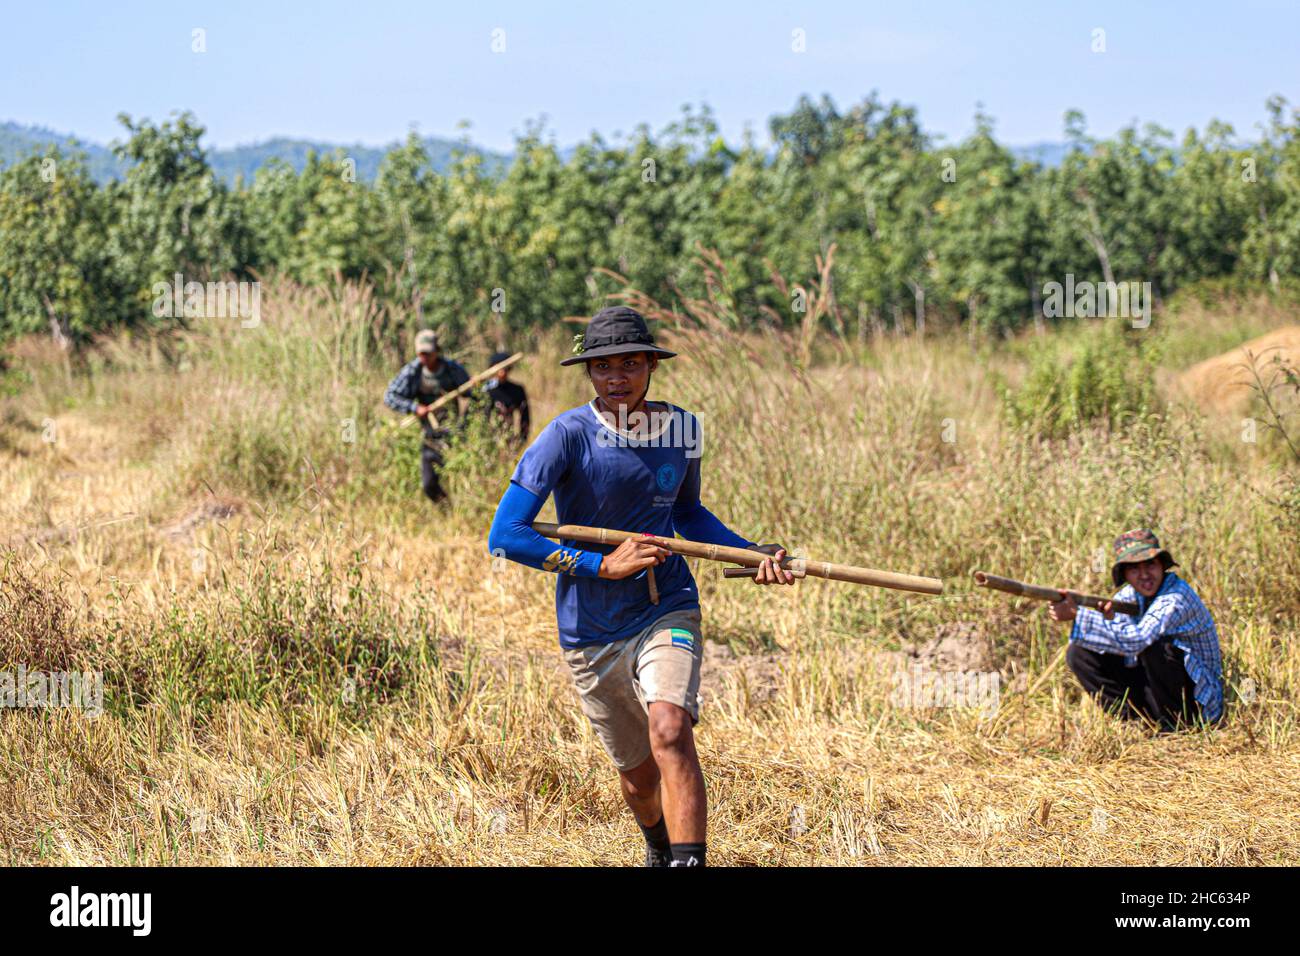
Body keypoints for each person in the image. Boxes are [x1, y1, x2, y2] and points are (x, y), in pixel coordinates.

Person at [487, 306, 796, 867]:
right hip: (590, 626)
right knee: (636, 777)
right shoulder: (565, 436)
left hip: (665, 606)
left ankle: (688, 859)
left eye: (630, 364)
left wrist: (753, 553)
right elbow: (505, 535)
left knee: (671, 729)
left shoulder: (682, 429)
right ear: (589, 373)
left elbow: (689, 514)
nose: (617, 377)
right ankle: (657, 845)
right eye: (603, 367)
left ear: (652, 365)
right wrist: (600, 566)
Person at [1048, 528, 1224, 731]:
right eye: (1134, 569)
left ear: (1161, 566)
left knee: (1156, 648)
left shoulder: (1176, 597)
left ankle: (1178, 724)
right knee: (1079, 653)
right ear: (1125, 575)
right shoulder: (1129, 595)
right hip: (1155, 693)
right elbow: (1117, 639)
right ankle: (1136, 722)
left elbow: (1137, 641)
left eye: (1150, 565)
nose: (1144, 575)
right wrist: (1105, 619)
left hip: (1195, 701)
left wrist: (1077, 614)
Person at [383, 329, 470, 503]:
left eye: (428, 353)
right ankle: (446, 507)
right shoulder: (412, 372)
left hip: (454, 433)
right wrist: (414, 407)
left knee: (463, 476)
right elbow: (390, 396)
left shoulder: (452, 369)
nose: (425, 358)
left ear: (437, 350)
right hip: (430, 434)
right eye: (421, 354)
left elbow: (472, 392)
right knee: (429, 482)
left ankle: (465, 508)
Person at [482, 350, 530, 447]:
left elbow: (525, 418)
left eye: (505, 368)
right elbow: (477, 413)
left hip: (509, 440)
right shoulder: (486, 391)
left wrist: (521, 440)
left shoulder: (517, 390)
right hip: (488, 441)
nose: (502, 372)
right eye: (499, 368)